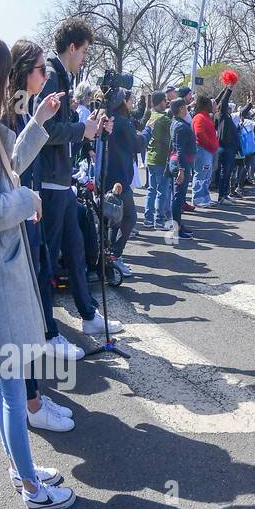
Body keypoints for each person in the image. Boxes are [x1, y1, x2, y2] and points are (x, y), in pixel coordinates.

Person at [0, 35, 76, 509]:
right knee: (11, 386)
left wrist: (37, 123)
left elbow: (9, 167)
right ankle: (32, 488)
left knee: (4, 385)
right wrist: (28, 201)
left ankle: (23, 471)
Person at [5, 40, 76, 431]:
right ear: (20, 72)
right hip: (14, 227)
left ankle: (32, 397)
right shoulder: (1, 112)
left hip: (27, 215)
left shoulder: (21, 106)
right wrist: (27, 200)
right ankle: (30, 404)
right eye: (38, 70)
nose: (45, 76)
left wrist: (40, 120)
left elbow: (17, 164)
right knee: (22, 317)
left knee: (35, 304)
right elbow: (5, 177)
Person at [36, 19, 115, 349]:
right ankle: (47, 332)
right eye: (83, 51)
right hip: (50, 183)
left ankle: (88, 313)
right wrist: (81, 131)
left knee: (77, 249)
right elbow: (44, 130)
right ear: (72, 47)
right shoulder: (52, 75)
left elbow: (64, 130)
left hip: (62, 180)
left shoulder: (62, 75)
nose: (84, 58)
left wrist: (90, 128)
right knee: (49, 259)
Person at [102, 87, 143, 278]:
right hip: (119, 177)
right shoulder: (122, 122)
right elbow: (137, 145)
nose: (133, 102)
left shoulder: (111, 119)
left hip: (109, 173)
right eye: (131, 99)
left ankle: (110, 255)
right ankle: (114, 254)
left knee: (114, 219)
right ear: (123, 101)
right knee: (130, 216)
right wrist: (147, 132)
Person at [141, 90, 172, 229]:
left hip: (151, 158)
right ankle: (159, 220)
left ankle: (148, 219)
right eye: (165, 101)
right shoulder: (164, 119)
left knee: (151, 190)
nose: (167, 103)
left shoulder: (151, 115)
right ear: (160, 102)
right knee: (162, 191)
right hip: (161, 158)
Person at [168, 98, 197, 239]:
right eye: (185, 107)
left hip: (181, 162)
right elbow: (179, 149)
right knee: (178, 198)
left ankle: (178, 224)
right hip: (181, 163)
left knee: (179, 197)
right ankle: (176, 229)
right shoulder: (180, 126)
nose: (187, 109)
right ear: (180, 109)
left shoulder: (177, 123)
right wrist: (181, 170)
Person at [190, 95, 218, 208]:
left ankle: (205, 197)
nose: (212, 106)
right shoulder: (199, 117)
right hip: (202, 150)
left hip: (208, 151)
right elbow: (199, 134)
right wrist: (210, 144)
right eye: (210, 104)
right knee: (201, 174)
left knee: (207, 175)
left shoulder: (207, 117)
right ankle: (197, 198)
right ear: (205, 105)